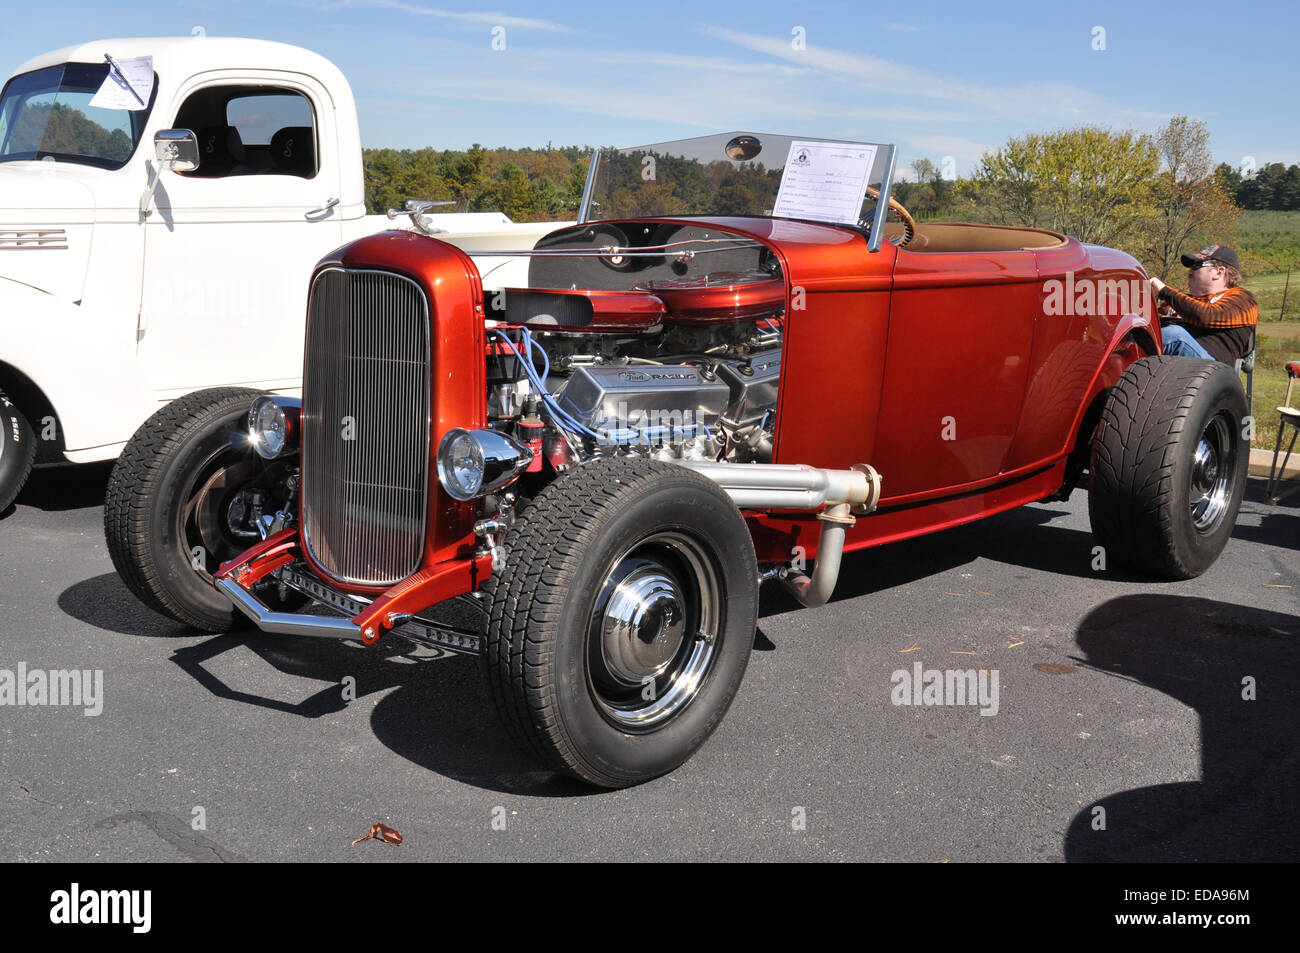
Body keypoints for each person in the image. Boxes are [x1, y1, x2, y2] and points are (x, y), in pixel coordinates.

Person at [1149, 244, 1257, 364]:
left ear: (1219, 272)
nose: (1189, 272)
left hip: (1212, 371)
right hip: (1175, 367)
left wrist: (1164, 291)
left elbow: (1207, 316)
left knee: (1176, 335)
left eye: (1196, 266)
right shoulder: (1186, 301)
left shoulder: (1243, 299)